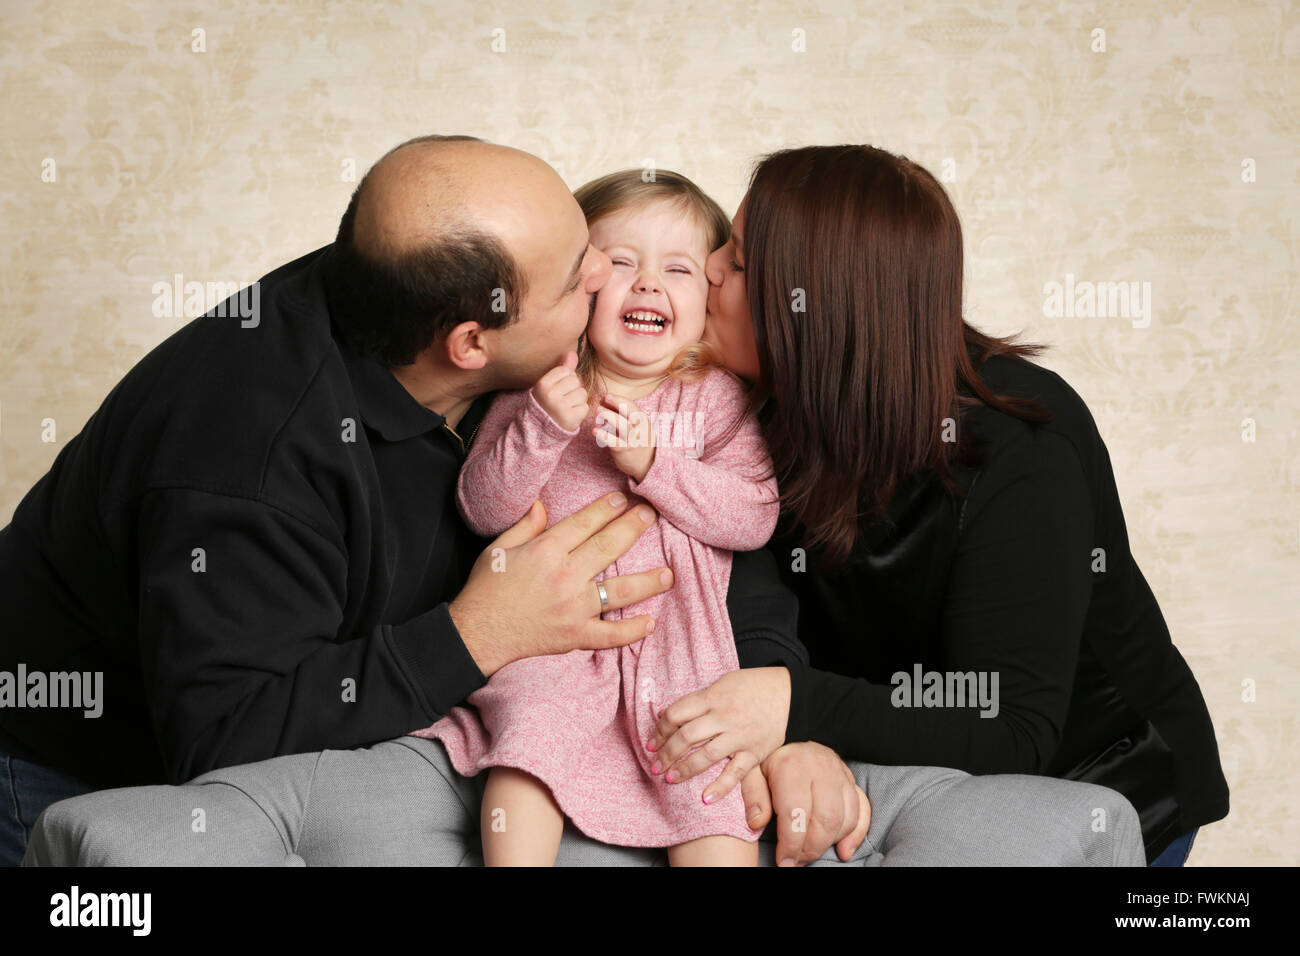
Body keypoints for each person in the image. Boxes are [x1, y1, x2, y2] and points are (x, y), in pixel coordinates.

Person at [11, 135, 1145, 868]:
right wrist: (478, 634)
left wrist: (794, 713)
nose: (631, 286)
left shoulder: (705, 388)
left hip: (1053, 777)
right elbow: (221, 737)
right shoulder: (257, 454)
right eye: (586, 272)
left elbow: (739, 568)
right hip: (91, 761)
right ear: (473, 335)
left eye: (721, 265)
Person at [645, 144, 1230, 866]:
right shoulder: (748, 408)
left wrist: (796, 706)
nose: (706, 268)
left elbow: (1010, 724)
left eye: (736, 262)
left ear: (813, 305)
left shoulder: (1023, 444)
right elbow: (749, 594)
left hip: (1094, 778)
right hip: (895, 762)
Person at [416, 169, 778, 865]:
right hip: (554, 644)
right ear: (581, 284)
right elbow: (482, 506)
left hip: (681, 658)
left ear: (708, 299)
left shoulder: (715, 400)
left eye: (676, 269)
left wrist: (656, 466)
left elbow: (754, 515)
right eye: (620, 264)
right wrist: (545, 429)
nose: (647, 284)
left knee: (708, 784)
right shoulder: (542, 388)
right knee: (528, 740)